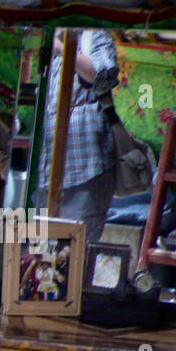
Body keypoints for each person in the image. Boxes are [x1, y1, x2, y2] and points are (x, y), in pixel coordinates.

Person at [36, 29, 119, 243]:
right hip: (46, 169)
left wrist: (60, 48)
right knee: (42, 253)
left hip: (86, 168)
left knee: (78, 249)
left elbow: (99, 76)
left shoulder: (95, 37)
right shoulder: (43, 44)